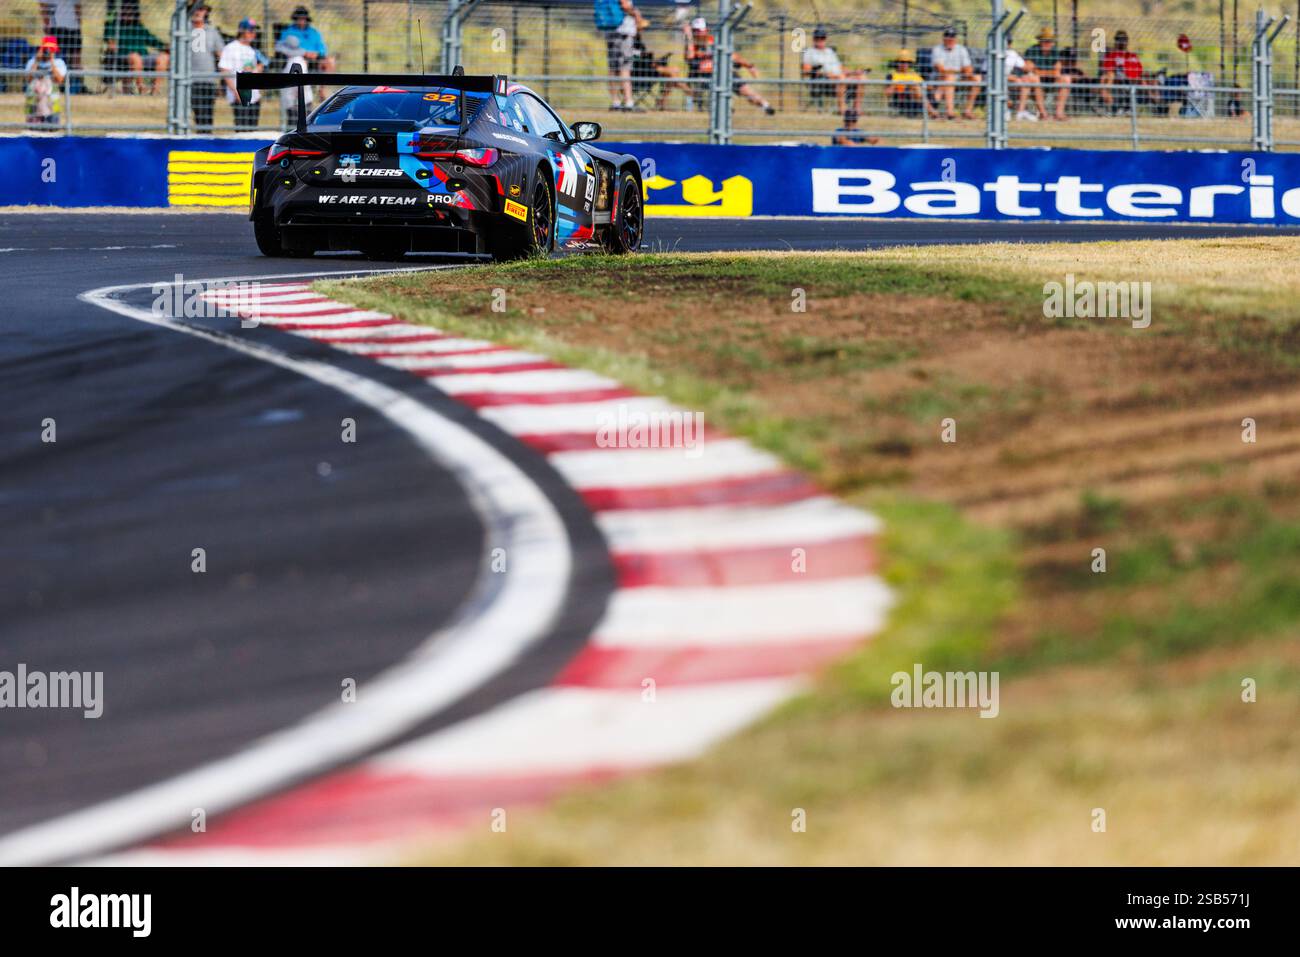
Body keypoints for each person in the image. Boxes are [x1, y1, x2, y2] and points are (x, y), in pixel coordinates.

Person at [686, 19, 775, 114]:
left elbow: (733, 56)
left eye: (702, 31)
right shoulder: (690, 46)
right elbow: (690, 59)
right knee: (714, 94)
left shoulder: (714, 41)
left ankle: (765, 106)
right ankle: (724, 108)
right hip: (707, 77)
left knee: (747, 92)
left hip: (725, 73)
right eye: (697, 31)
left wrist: (749, 66)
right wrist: (689, 38)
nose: (701, 34)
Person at [102, 0, 169, 95]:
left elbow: (154, 41)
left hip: (143, 57)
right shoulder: (114, 25)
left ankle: (155, 91)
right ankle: (141, 88)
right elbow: (109, 39)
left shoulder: (138, 27)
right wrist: (111, 44)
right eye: (125, 10)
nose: (128, 13)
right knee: (135, 57)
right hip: (124, 57)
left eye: (131, 10)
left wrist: (167, 47)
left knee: (164, 58)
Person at [595, 0, 646, 112]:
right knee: (625, 69)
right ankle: (628, 103)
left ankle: (615, 102)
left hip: (611, 32)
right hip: (623, 35)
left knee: (613, 69)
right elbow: (625, 5)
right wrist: (637, 14)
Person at [801, 27, 865, 114]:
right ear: (813, 39)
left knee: (861, 77)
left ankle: (856, 109)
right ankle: (842, 109)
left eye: (822, 38)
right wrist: (824, 73)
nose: (820, 40)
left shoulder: (830, 51)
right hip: (824, 81)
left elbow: (840, 68)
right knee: (841, 78)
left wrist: (853, 72)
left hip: (839, 77)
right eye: (817, 38)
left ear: (825, 39)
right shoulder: (809, 52)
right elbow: (806, 71)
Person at [219, 17, 263, 130]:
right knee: (242, 130)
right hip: (239, 96)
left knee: (253, 131)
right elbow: (224, 71)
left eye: (254, 31)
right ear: (241, 30)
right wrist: (235, 92)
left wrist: (258, 93)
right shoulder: (231, 48)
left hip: (254, 97)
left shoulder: (252, 50)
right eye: (250, 30)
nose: (253, 34)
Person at [929, 26, 979, 120]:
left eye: (952, 36)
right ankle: (950, 112)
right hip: (940, 78)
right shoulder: (937, 49)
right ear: (943, 38)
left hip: (958, 78)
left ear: (955, 38)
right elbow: (941, 70)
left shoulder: (961, 49)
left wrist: (964, 72)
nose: (950, 38)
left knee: (977, 79)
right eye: (947, 36)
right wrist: (959, 70)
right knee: (949, 78)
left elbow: (968, 68)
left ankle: (967, 111)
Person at [1022, 26, 1070, 120]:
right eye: (1045, 40)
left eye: (1050, 41)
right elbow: (1029, 69)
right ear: (1040, 41)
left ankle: (1059, 113)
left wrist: (1039, 71)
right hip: (1037, 83)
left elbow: (1057, 72)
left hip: (1051, 81)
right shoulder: (1032, 50)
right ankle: (1043, 114)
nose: (1048, 43)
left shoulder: (1055, 51)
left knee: (1066, 79)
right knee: (1035, 80)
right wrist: (1048, 72)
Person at [188, 2, 222, 134]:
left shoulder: (212, 31)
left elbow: (221, 54)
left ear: (206, 12)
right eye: (195, 9)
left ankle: (207, 139)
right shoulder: (184, 29)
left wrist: (222, 78)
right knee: (196, 112)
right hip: (190, 79)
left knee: (208, 112)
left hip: (209, 79)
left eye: (201, 9)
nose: (198, 12)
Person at [1099, 30, 1150, 114]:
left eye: (1124, 39)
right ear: (1116, 41)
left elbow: (1140, 71)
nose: (1122, 42)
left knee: (1150, 80)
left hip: (1135, 79)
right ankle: (1113, 106)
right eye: (1120, 39)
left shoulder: (1132, 55)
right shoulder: (1112, 55)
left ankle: (1158, 106)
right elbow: (1109, 71)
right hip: (1120, 79)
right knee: (1112, 78)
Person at [39, 0, 82, 94]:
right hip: (67, 27)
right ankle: (73, 88)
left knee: (55, 59)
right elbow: (78, 8)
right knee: (53, 60)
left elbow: (43, 6)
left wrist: (46, 23)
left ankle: (73, 88)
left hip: (61, 28)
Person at [275, 32, 315, 127]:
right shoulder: (297, 60)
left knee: (295, 127)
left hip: (297, 103)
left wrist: (295, 101)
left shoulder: (295, 62)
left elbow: (298, 84)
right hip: (297, 102)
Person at [25, 35, 66, 126]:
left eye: (51, 49)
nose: (48, 52)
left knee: (52, 133)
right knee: (32, 133)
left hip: (51, 105)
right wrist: (37, 61)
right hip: (34, 104)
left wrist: (51, 61)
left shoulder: (59, 63)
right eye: (46, 49)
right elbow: (28, 79)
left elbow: (60, 80)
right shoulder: (32, 62)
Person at [887, 48, 937, 119]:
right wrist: (895, 84)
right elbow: (887, 93)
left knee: (917, 87)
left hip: (918, 97)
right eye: (902, 62)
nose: (904, 64)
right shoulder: (893, 75)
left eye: (906, 62)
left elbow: (926, 86)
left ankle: (933, 112)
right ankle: (933, 112)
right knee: (914, 86)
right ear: (897, 63)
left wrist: (933, 87)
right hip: (902, 99)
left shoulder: (914, 75)